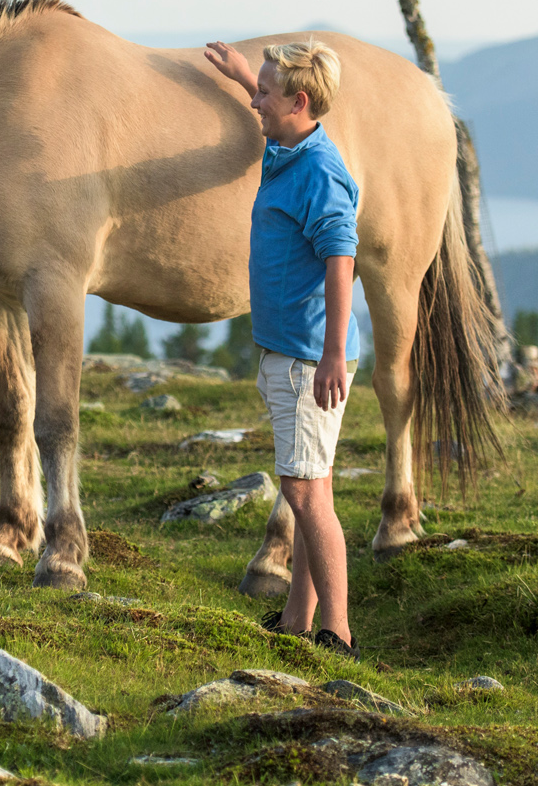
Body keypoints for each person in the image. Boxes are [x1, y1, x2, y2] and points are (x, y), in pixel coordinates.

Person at [204, 38, 362, 660]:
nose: (256, 104)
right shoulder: (290, 145)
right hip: (290, 352)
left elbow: (340, 259)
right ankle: (298, 617)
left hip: (306, 360)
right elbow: (268, 107)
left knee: (305, 494)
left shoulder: (318, 170)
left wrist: (328, 356)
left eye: (266, 94)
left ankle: (339, 633)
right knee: (306, 485)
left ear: (299, 102)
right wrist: (246, 75)